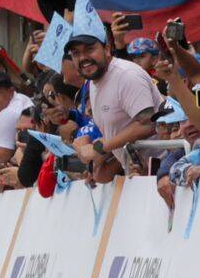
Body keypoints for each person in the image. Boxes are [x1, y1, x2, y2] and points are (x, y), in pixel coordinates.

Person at [66, 34, 162, 180]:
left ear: (107, 49)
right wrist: (93, 155)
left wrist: (99, 148)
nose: (83, 57)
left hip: (163, 173)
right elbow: (118, 130)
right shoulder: (93, 81)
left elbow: (148, 124)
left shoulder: (127, 75)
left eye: (89, 49)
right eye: (76, 53)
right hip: (138, 174)